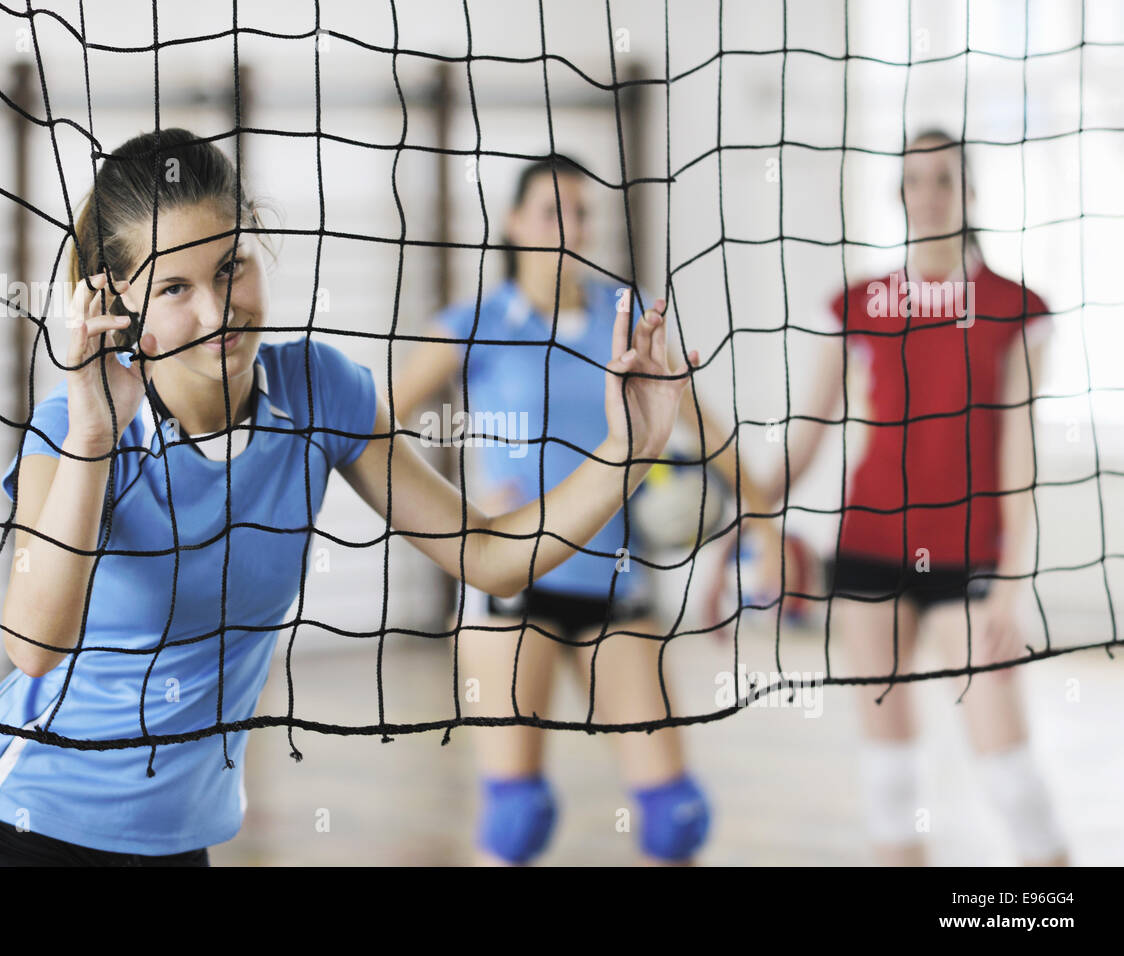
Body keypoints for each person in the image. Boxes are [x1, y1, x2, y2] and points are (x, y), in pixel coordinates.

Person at [0, 129, 693, 866]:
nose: (218, 312)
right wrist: (92, 435)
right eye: (175, 287)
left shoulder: (317, 391)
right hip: (16, 832)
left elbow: (486, 556)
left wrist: (628, 451)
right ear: (120, 302)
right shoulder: (72, 426)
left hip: (176, 845)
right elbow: (33, 647)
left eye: (229, 268)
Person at [392, 155, 752, 865]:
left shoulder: (626, 310)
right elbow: (375, 425)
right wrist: (460, 512)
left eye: (582, 212)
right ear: (515, 224)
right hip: (513, 584)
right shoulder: (476, 322)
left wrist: (763, 514)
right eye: (552, 211)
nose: (570, 226)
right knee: (517, 817)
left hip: (616, 579)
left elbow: (696, 421)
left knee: (675, 817)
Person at [772, 129, 1069, 865]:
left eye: (944, 178)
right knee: (890, 778)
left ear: (969, 192)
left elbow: (1017, 447)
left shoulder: (1016, 307)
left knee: (1012, 777)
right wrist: (741, 514)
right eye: (914, 180)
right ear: (899, 195)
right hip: (869, 547)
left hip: (970, 557)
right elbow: (808, 433)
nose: (930, 193)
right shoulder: (859, 303)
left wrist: (1009, 585)